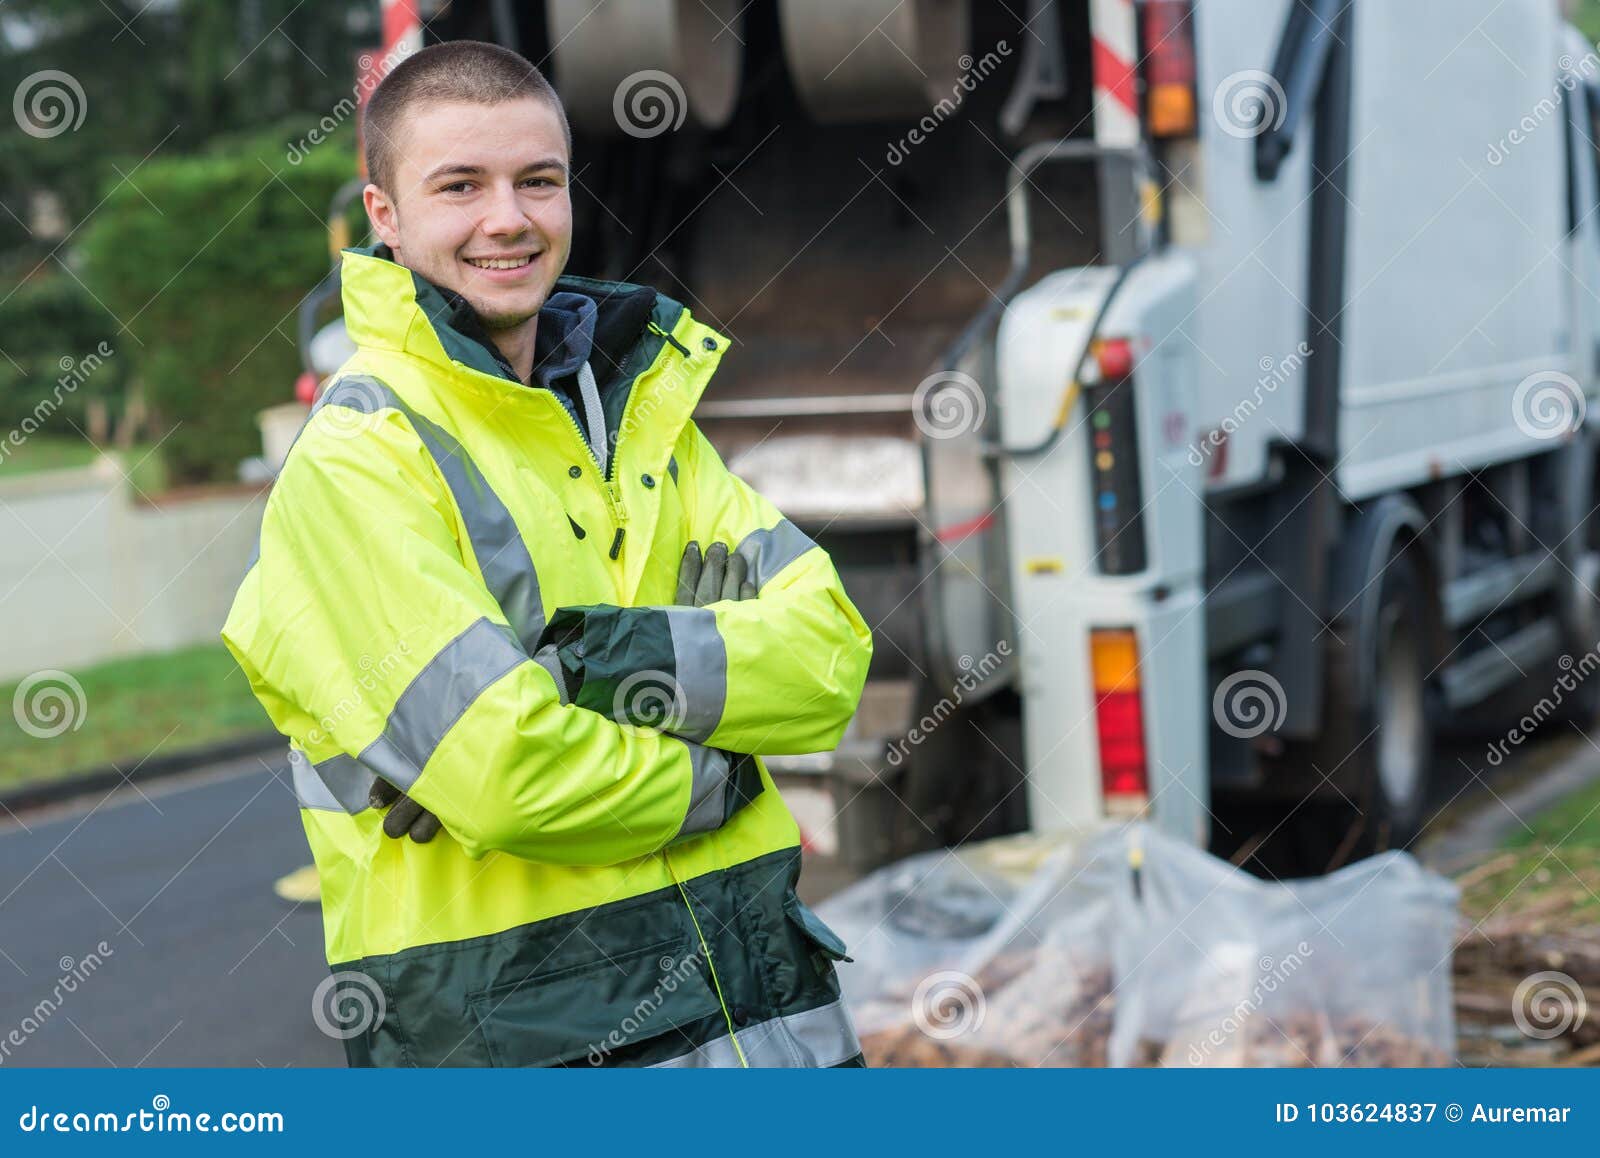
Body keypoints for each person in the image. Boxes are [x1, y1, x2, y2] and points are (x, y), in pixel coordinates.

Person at [222, 39, 873, 1068]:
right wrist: (723, 771)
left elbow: (830, 656)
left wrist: (592, 664)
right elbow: (510, 776)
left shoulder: (641, 420)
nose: (508, 219)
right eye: (459, 186)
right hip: (520, 1045)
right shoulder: (360, 462)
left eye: (537, 181)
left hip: (763, 1012)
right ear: (383, 216)